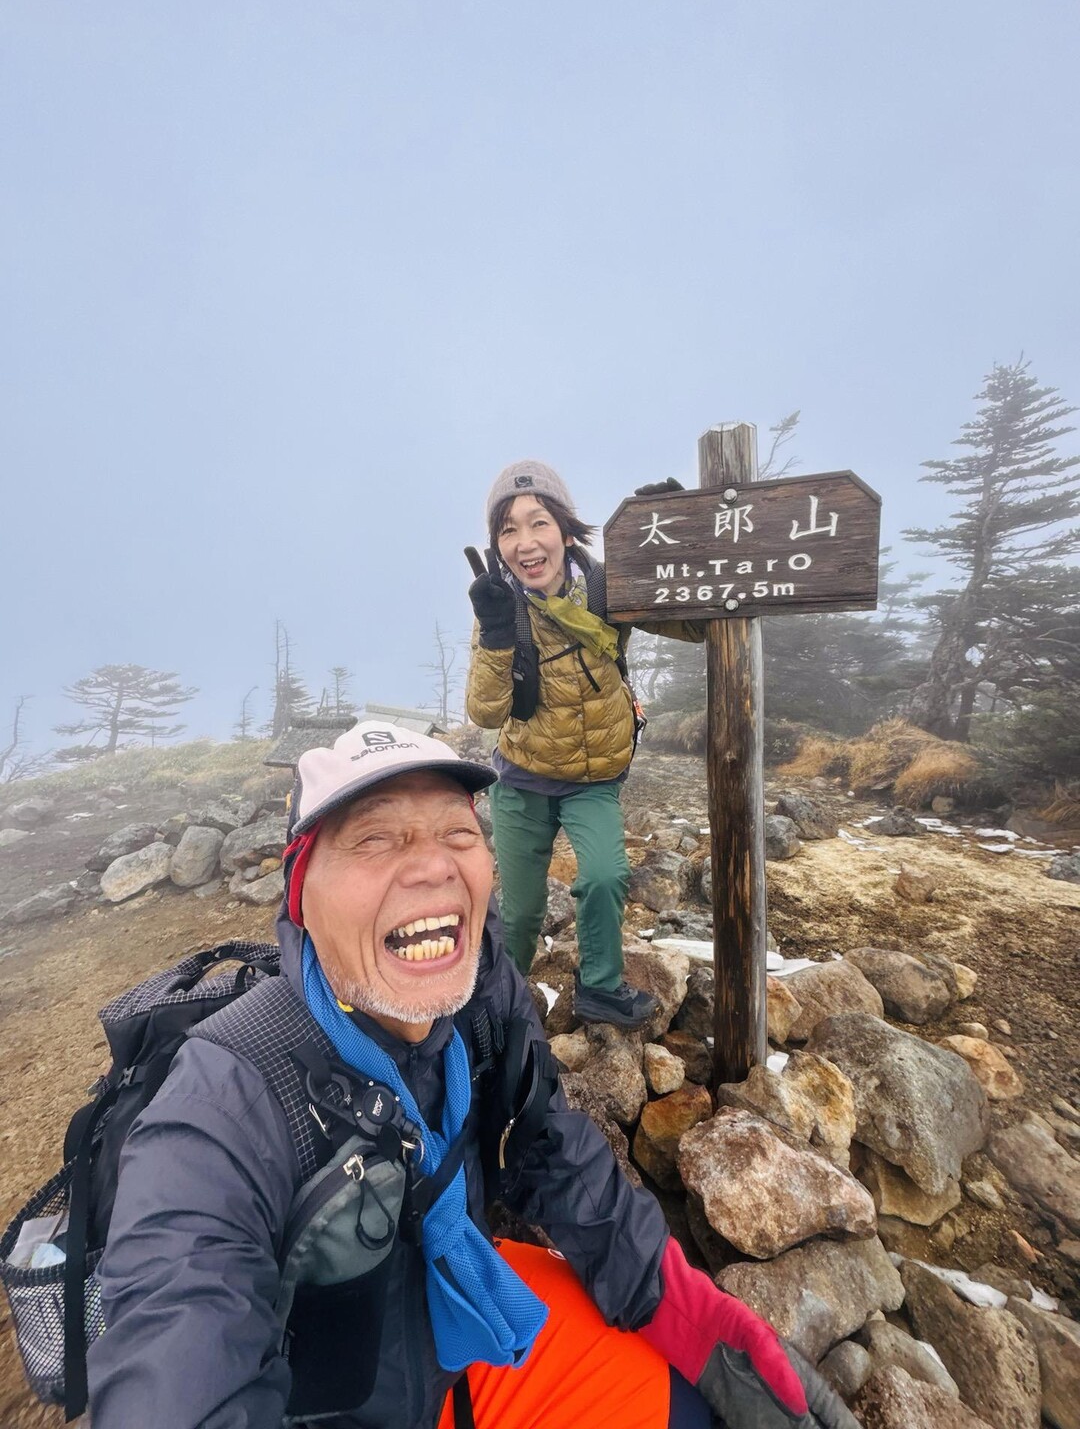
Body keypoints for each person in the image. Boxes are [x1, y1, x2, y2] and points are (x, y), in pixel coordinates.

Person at [86, 721, 855, 1429]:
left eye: (458, 831)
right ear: (300, 898)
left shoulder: (484, 990)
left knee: (698, 1401)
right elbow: (176, 1352)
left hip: (455, 1347)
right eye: (375, 839)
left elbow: (551, 1144)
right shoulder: (224, 1100)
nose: (432, 865)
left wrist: (692, 1314)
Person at [466, 461, 701, 1028]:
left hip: (593, 779)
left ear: (566, 530)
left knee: (603, 876)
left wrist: (678, 534)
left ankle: (598, 987)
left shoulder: (605, 587)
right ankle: (500, 1009)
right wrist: (497, 632)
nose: (525, 543)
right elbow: (486, 710)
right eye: (508, 530)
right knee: (520, 917)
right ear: (497, 546)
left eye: (538, 522)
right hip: (522, 781)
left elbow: (698, 628)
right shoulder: (501, 606)